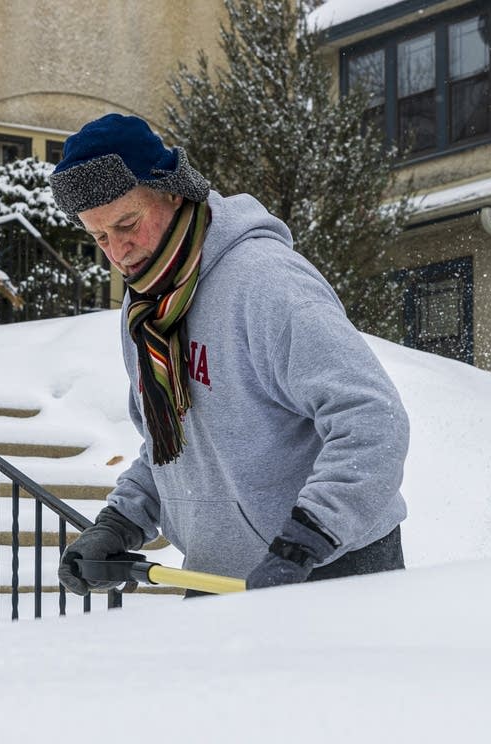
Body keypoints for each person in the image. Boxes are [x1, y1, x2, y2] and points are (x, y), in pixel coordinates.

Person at [50, 113, 409, 597]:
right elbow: (173, 445)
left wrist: (304, 542)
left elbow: (372, 421)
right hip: (215, 576)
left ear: (173, 191)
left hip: (331, 570)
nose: (118, 251)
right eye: (100, 237)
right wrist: (118, 523)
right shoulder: (147, 311)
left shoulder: (267, 283)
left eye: (127, 224)